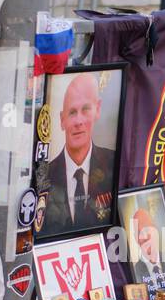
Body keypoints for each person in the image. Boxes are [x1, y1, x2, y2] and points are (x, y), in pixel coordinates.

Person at [41, 73, 117, 234]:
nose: (78, 121)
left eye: (86, 109)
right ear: (62, 120)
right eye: (72, 112)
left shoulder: (113, 163)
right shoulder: (44, 176)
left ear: (98, 110)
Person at [129, 203, 165, 293]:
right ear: (136, 238)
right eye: (139, 232)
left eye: (146, 227)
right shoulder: (134, 273)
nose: (144, 236)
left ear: (155, 229)